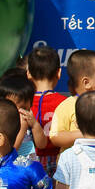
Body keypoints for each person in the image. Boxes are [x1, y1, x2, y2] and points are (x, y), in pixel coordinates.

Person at [27, 44, 67, 176]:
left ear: (28, 74)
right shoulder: (65, 103)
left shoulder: (25, 103)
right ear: (59, 73)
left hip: (30, 161)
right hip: (59, 160)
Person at [0, 74, 49, 158]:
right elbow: (11, 151)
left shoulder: (29, 122)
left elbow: (42, 144)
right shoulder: (2, 126)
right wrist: (22, 130)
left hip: (29, 167)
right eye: (14, 107)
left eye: (24, 108)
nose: (19, 111)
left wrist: (35, 125)